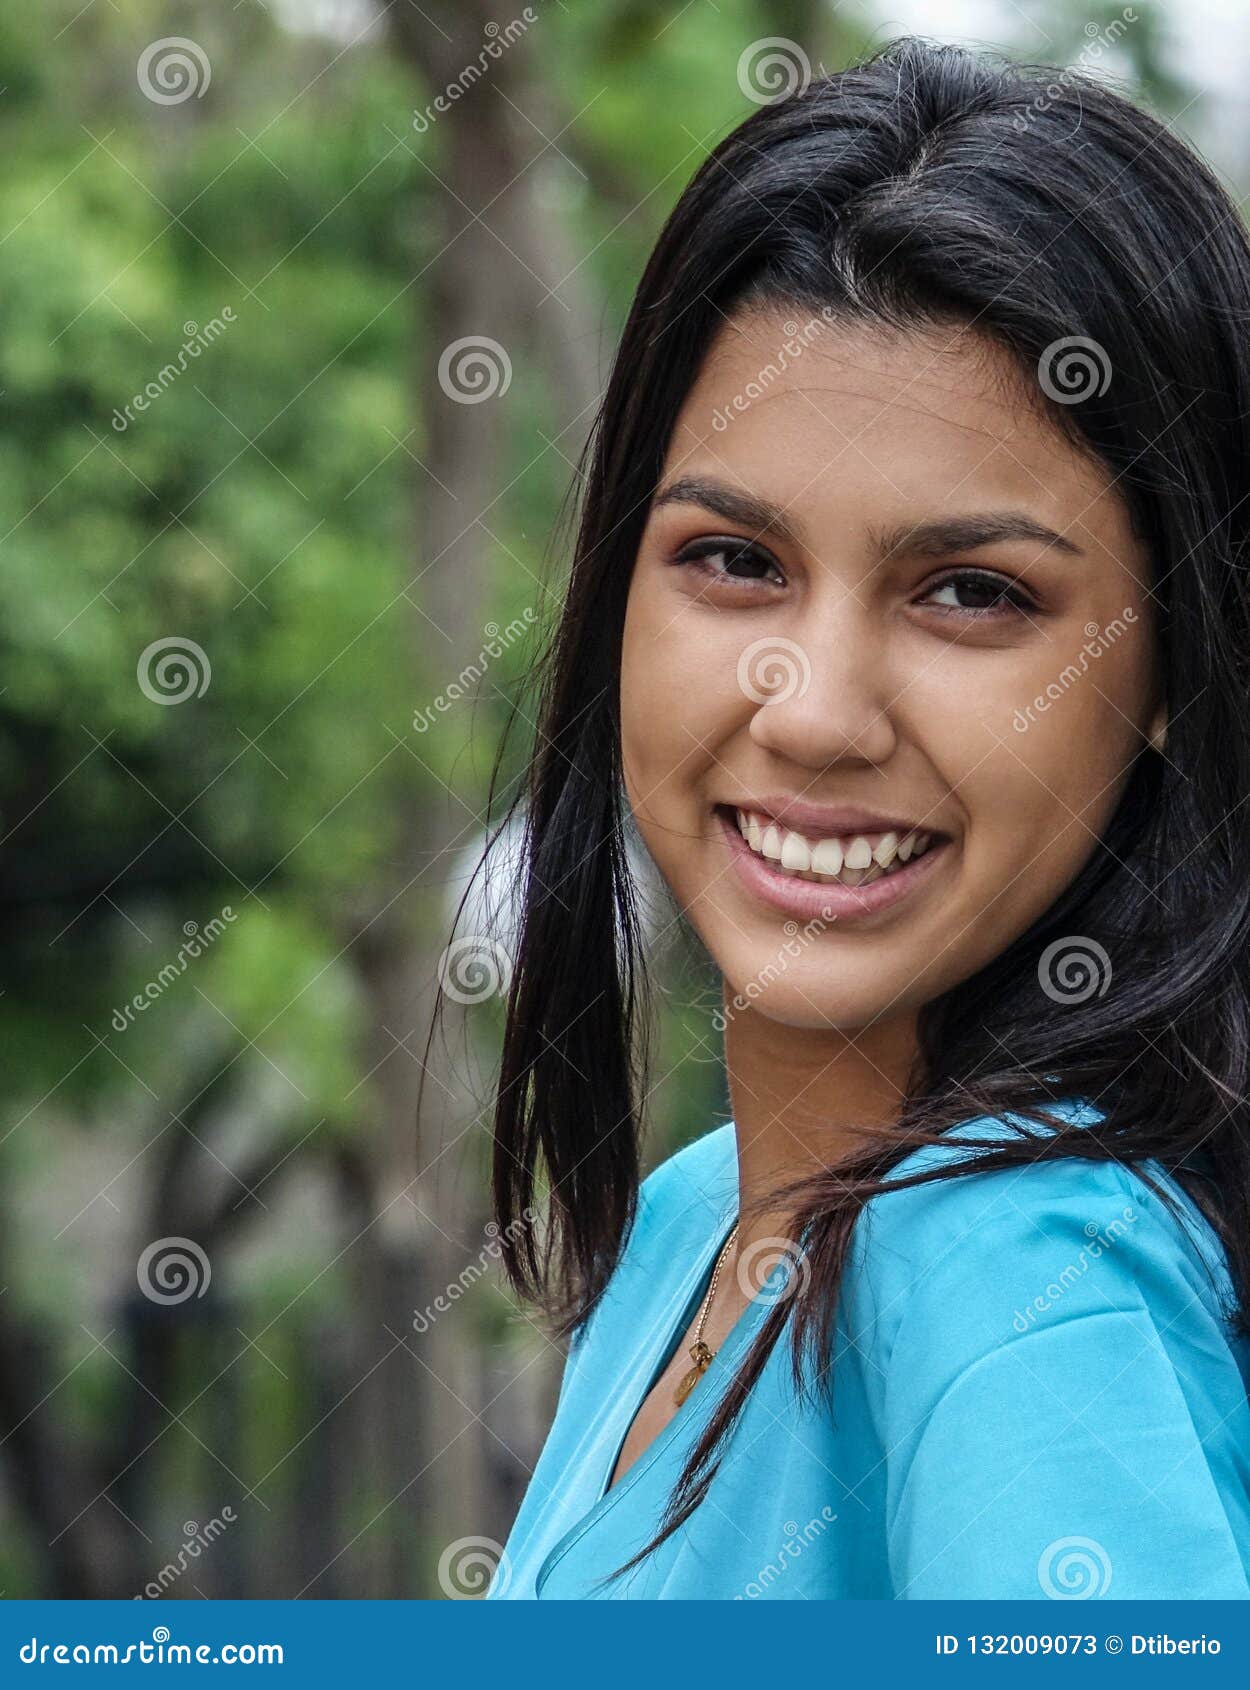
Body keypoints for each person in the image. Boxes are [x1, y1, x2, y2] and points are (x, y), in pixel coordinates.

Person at [472, 37, 1250, 1598]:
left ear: (1176, 663)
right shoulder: (700, 1211)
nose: (814, 710)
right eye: (733, 561)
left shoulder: (1012, 1261)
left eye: (972, 593)